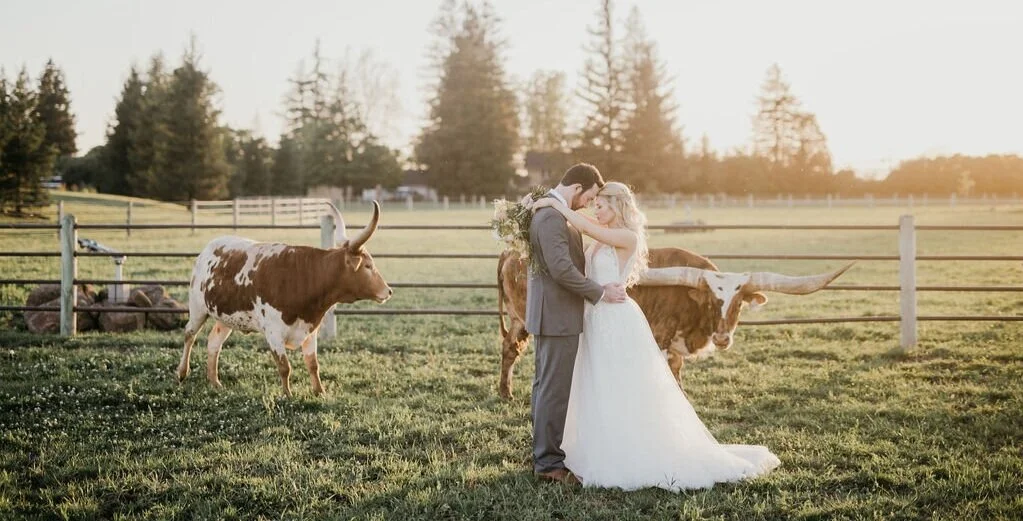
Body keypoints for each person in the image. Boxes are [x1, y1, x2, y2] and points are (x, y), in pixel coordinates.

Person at [529, 181, 781, 491]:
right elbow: (578, 232)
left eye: (601, 205)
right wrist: (539, 212)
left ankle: (626, 449)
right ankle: (589, 444)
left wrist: (554, 204)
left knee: (617, 383)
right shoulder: (601, 232)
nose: (596, 210)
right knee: (595, 381)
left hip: (615, 318)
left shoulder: (626, 237)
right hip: (594, 316)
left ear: (617, 207)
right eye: (595, 205)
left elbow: (581, 224)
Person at [526, 163, 628, 484]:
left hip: (554, 313)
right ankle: (548, 464)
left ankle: (543, 452)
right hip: (557, 315)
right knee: (553, 390)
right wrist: (600, 292)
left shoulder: (553, 213)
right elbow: (561, 269)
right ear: (577, 188)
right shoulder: (551, 217)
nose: (589, 204)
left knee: (546, 386)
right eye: (590, 197)